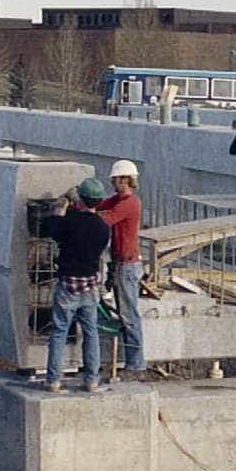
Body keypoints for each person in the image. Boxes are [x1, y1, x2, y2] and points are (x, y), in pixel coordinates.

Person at [41, 178, 113, 393]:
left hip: (68, 285)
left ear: (80, 198)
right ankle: (91, 380)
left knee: (59, 331)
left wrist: (61, 207)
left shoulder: (69, 223)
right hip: (90, 286)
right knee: (90, 332)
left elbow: (52, 228)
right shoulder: (102, 227)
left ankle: (53, 380)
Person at [97, 159, 146, 379]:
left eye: (115, 179)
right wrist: (80, 203)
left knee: (129, 316)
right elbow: (99, 206)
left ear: (125, 179)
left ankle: (136, 364)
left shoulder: (129, 203)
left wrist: (81, 215)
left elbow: (106, 219)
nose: (112, 182)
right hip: (119, 264)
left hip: (128, 265)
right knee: (125, 314)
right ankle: (131, 362)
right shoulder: (117, 199)